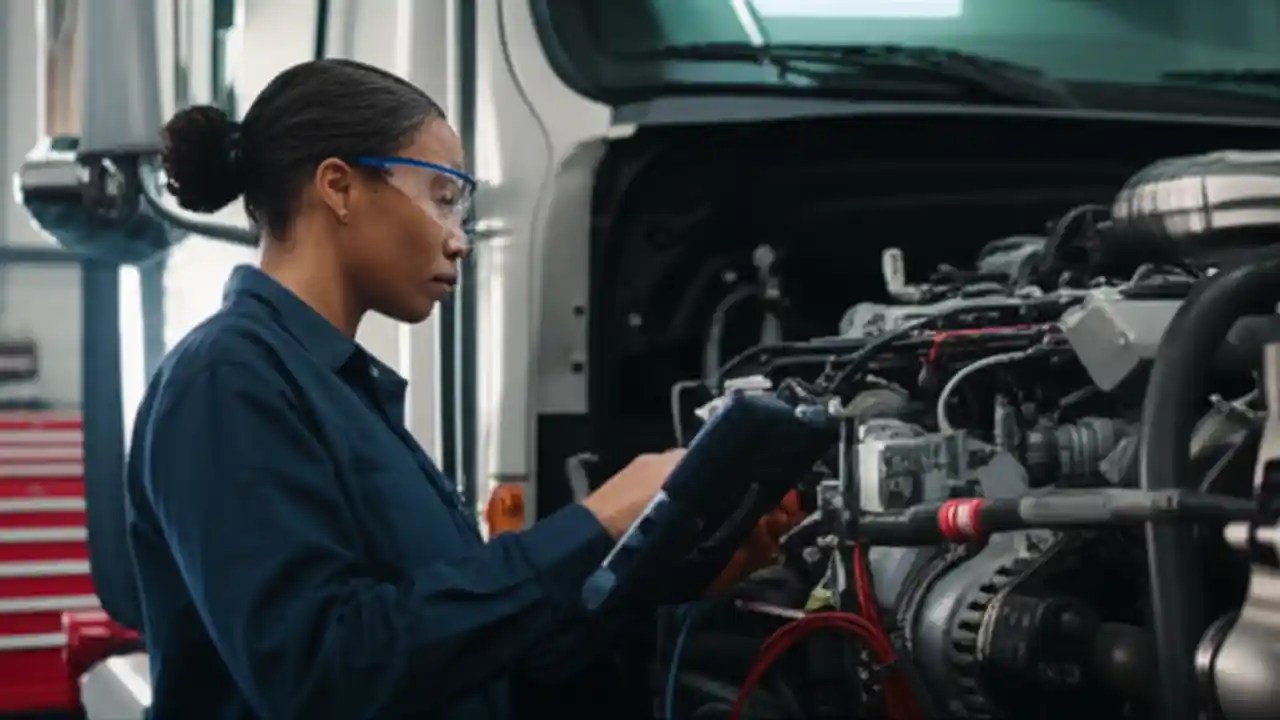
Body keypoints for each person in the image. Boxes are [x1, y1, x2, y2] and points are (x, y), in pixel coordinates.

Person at [126, 58, 684, 720]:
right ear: (339, 187)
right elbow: (324, 673)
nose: (460, 242)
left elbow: (465, 655)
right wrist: (597, 521)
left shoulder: (337, 390)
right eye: (444, 198)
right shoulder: (225, 382)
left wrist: (656, 572)